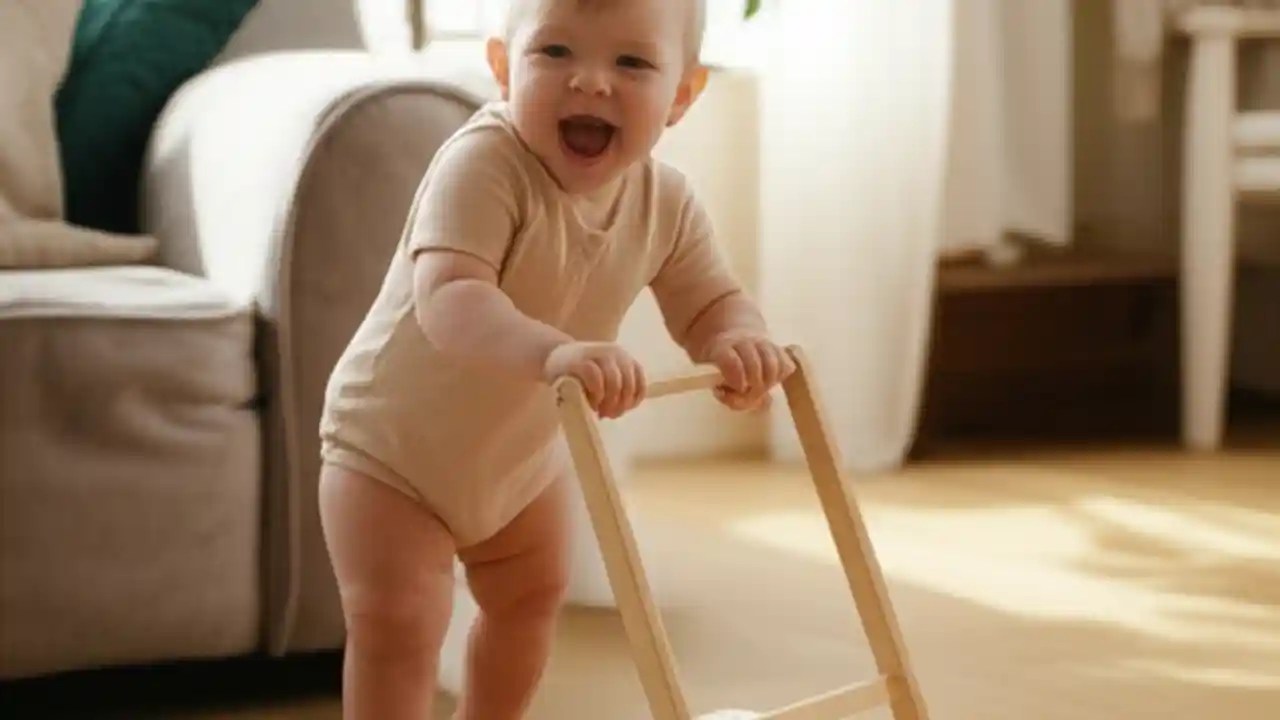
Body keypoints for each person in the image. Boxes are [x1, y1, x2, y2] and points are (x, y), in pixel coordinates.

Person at [317, 0, 794, 717]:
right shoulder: (483, 164)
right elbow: (450, 300)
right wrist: (558, 352)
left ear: (682, 96)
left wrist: (737, 340)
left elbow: (709, 301)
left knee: (533, 601)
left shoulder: (666, 201)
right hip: (391, 451)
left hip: (519, 461)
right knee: (402, 624)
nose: (591, 82)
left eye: (631, 63)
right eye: (556, 53)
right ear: (504, 69)